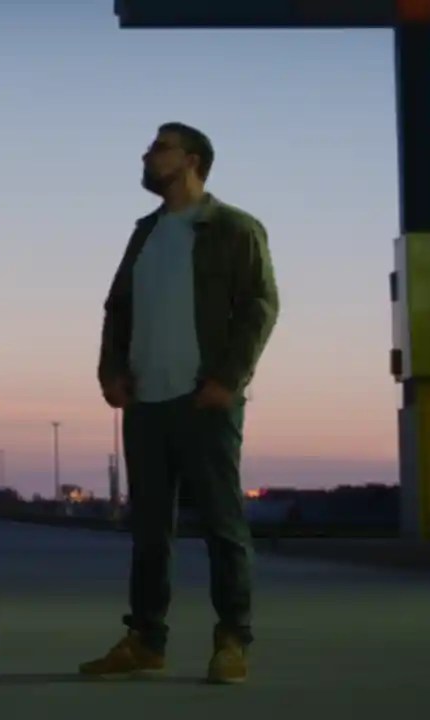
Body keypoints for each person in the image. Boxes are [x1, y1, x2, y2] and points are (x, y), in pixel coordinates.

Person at [80, 122, 279, 685]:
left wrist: (229, 378)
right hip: (145, 402)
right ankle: (145, 640)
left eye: (160, 148)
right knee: (148, 531)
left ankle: (233, 640)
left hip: (203, 400)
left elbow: (260, 305)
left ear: (192, 160)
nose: (147, 155)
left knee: (222, 526)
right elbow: (117, 308)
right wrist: (111, 372)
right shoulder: (144, 232)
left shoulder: (233, 227)